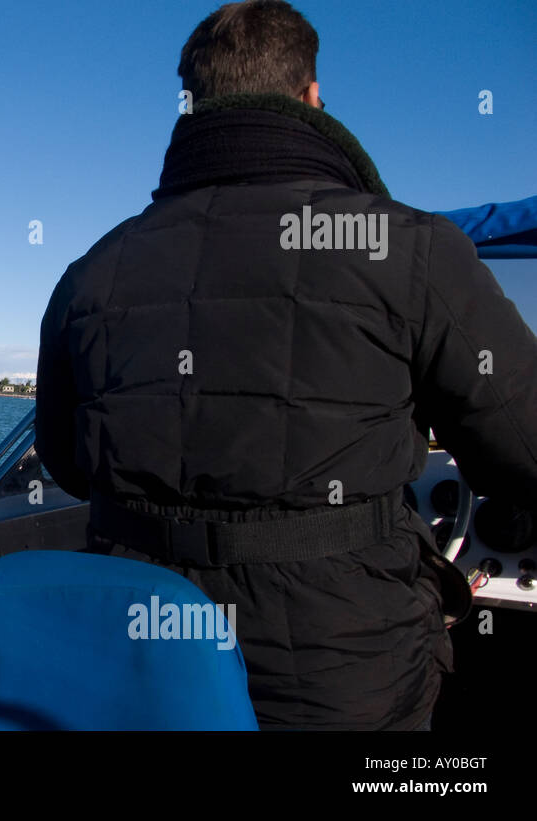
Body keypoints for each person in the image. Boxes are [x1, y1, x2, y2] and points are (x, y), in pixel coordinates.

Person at [35, 0, 537, 730]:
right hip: (346, 686)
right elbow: (525, 452)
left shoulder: (89, 275)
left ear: (195, 103)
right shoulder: (411, 250)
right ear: (311, 97)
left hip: (141, 671)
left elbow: (68, 463)